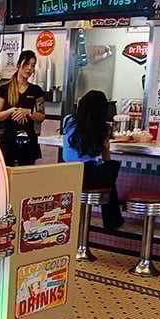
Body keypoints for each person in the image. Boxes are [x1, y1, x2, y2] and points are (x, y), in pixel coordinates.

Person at [62, 90, 124, 231]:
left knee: (107, 176)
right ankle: (112, 220)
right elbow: (106, 157)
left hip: (68, 173)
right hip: (87, 176)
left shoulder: (68, 120)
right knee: (110, 171)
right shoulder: (102, 128)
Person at [0, 50, 46, 167]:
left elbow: (41, 116)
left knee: (27, 174)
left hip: (29, 140)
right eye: (26, 64)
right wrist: (12, 110)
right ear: (18, 65)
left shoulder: (36, 90)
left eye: (32, 65)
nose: (29, 68)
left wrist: (28, 112)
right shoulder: (4, 89)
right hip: (9, 140)